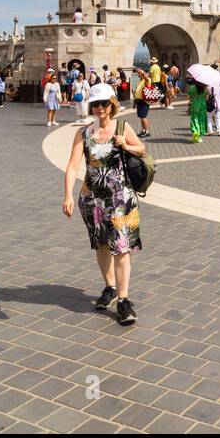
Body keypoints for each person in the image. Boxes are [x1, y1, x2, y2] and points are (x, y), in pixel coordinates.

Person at [62, 83, 143, 326]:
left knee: (121, 247)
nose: (99, 109)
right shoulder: (84, 133)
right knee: (101, 246)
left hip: (120, 199)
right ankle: (109, 287)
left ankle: (123, 300)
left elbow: (141, 149)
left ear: (112, 104)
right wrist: (67, 195)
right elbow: (73, 165)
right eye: (95, 104)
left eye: (104, 104)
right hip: (92, 199)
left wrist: (125, 145)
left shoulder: (122, 127)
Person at [131, 67, 153, 138]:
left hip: (144, 101)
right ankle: (143, 130)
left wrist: (143, 73)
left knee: (143, 117)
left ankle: (147, 131)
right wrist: (135, 102)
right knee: (141, 117)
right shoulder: (140, 81)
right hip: (139, 101)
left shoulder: (147, 80)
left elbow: (146, 78)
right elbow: (137, 92)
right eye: (138, 73)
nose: (139, 74)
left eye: (140, 73)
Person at [186, 77, 208, 142]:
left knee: (194, 118)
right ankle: (199, 137)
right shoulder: (205, 88)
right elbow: (206, 98)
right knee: (201, 119)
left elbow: (188, 97)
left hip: (195, 104)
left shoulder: (191, 87)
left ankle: (195, 131)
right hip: (202, 105)